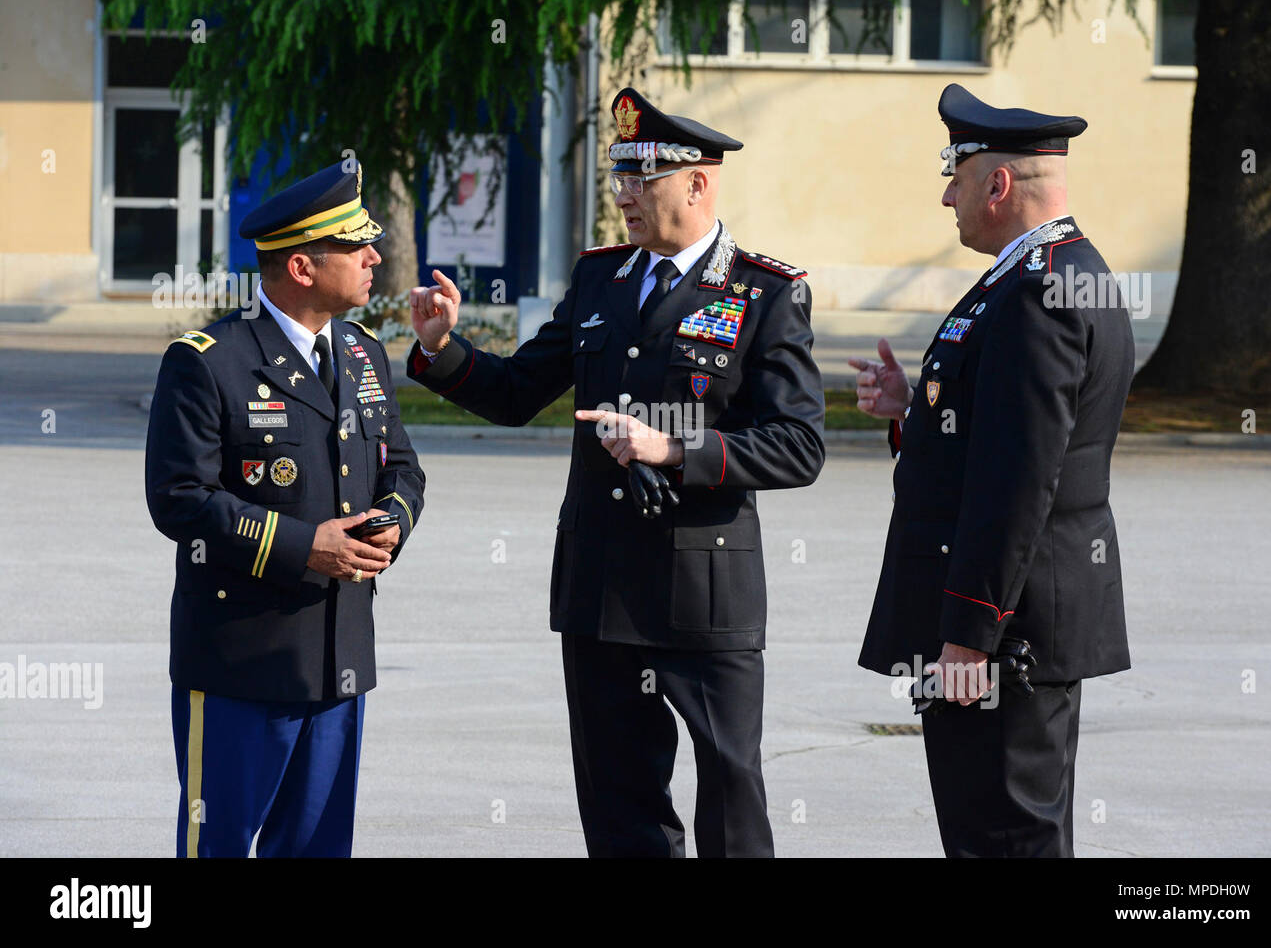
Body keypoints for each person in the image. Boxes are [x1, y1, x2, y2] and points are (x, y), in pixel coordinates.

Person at [407, 87, 825, 857]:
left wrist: (675, 449)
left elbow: (799, 444)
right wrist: (444, 350)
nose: (624, 197)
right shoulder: (602, 278)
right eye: (618, 178)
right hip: (601, 586)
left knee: (731, 796)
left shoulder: (765, 292)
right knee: (617, 802)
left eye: (643, 180)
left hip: (705, 589)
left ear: (698, 184)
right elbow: (517, 392)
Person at [851, 84, 1135, 857]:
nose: (949, 197)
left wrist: (971, 638)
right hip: (1021, 622)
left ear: (999, 184)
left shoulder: (1037, 291)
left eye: (957, 176)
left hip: (1007, 634)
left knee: (1004, 840)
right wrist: (915, 410)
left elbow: (1018, 482)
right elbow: (1002, 438)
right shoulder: (1049, 271)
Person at [145, 161, 425, 857]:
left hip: (338, 658)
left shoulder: (363, 353)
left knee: (318, 848)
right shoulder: (210, 361)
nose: (374, 257)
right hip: (242, 659)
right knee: (222, 844)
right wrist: (307, 547)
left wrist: (389, 522)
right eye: (356, 246)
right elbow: (180, 498)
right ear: (302, 266)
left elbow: (403, 467)